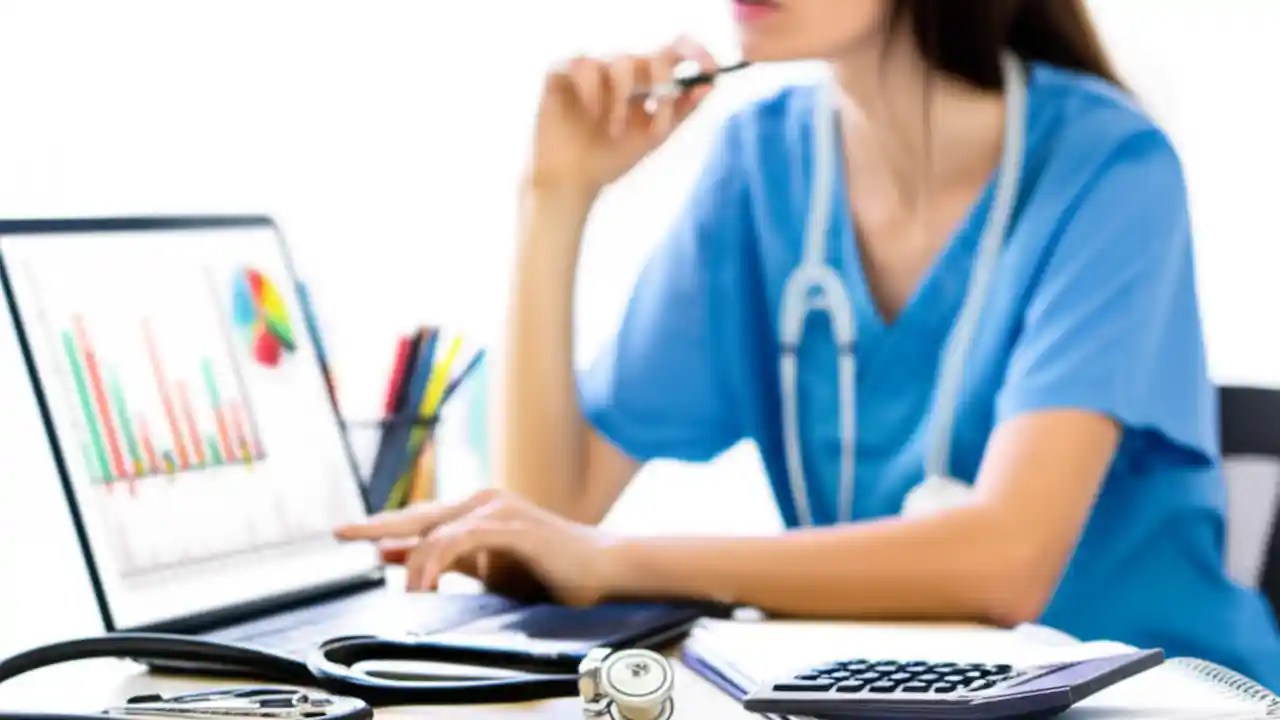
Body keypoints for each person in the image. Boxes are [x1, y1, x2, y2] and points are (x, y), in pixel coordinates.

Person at [338, 0, 1280, 688]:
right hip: (906, 691)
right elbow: (542, 523)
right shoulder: (765, 165)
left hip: (1150, 696)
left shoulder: (1112, 167)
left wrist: (618, 559)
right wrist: (556, 199)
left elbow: (1005, 565)